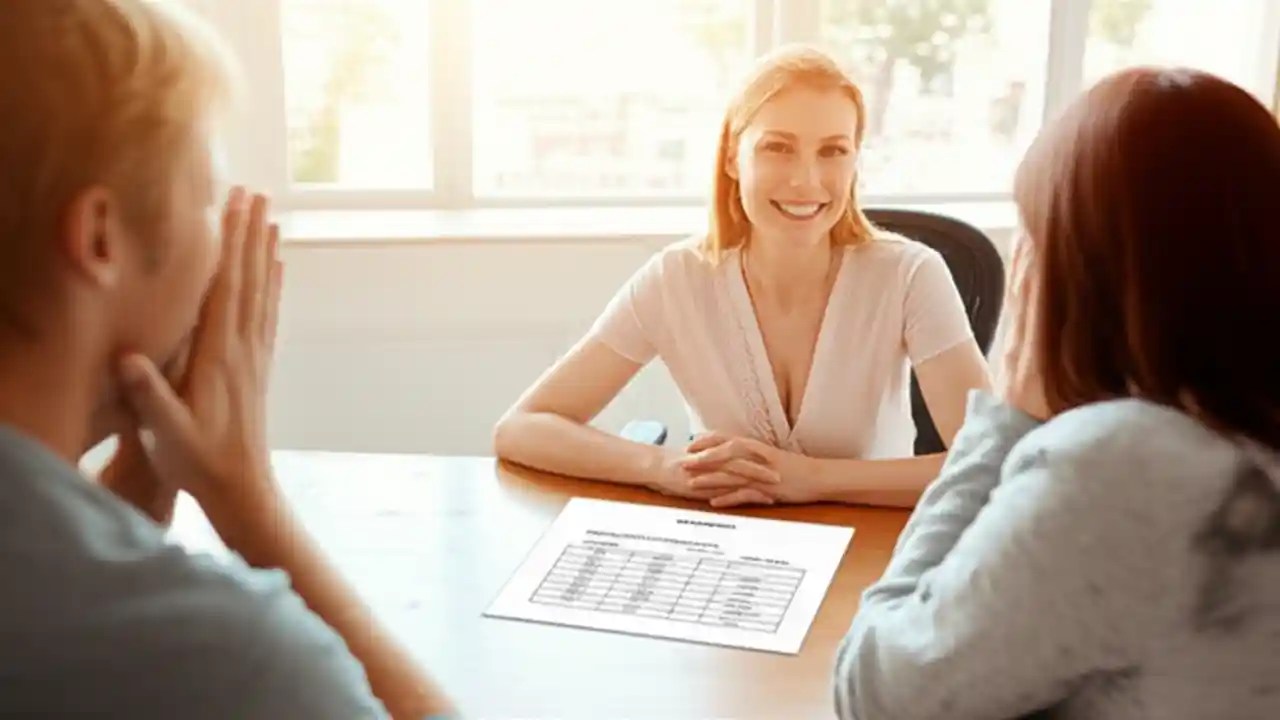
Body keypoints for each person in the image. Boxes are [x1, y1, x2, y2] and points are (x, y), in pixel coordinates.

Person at [0, 2, 452, 717]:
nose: (221, 244)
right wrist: (252, 508)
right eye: (208, 197)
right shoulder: (231, 661)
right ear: (101, 238)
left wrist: (145, 472)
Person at [834, 67, 1280, 719]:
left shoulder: (1128, 466)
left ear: (1072, 265)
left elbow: (875, 696)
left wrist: (1006, 411)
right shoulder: (1237, 436)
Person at [494, 46, 991, 509]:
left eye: (833, 151)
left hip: (869, 549)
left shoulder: (910, 275)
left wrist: (812, 477)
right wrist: (662, 467)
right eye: (778, 148)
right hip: (730, 547)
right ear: (734, 156)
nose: (806, 181)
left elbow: (989, 464)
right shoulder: (677, 278)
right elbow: (522, 428)